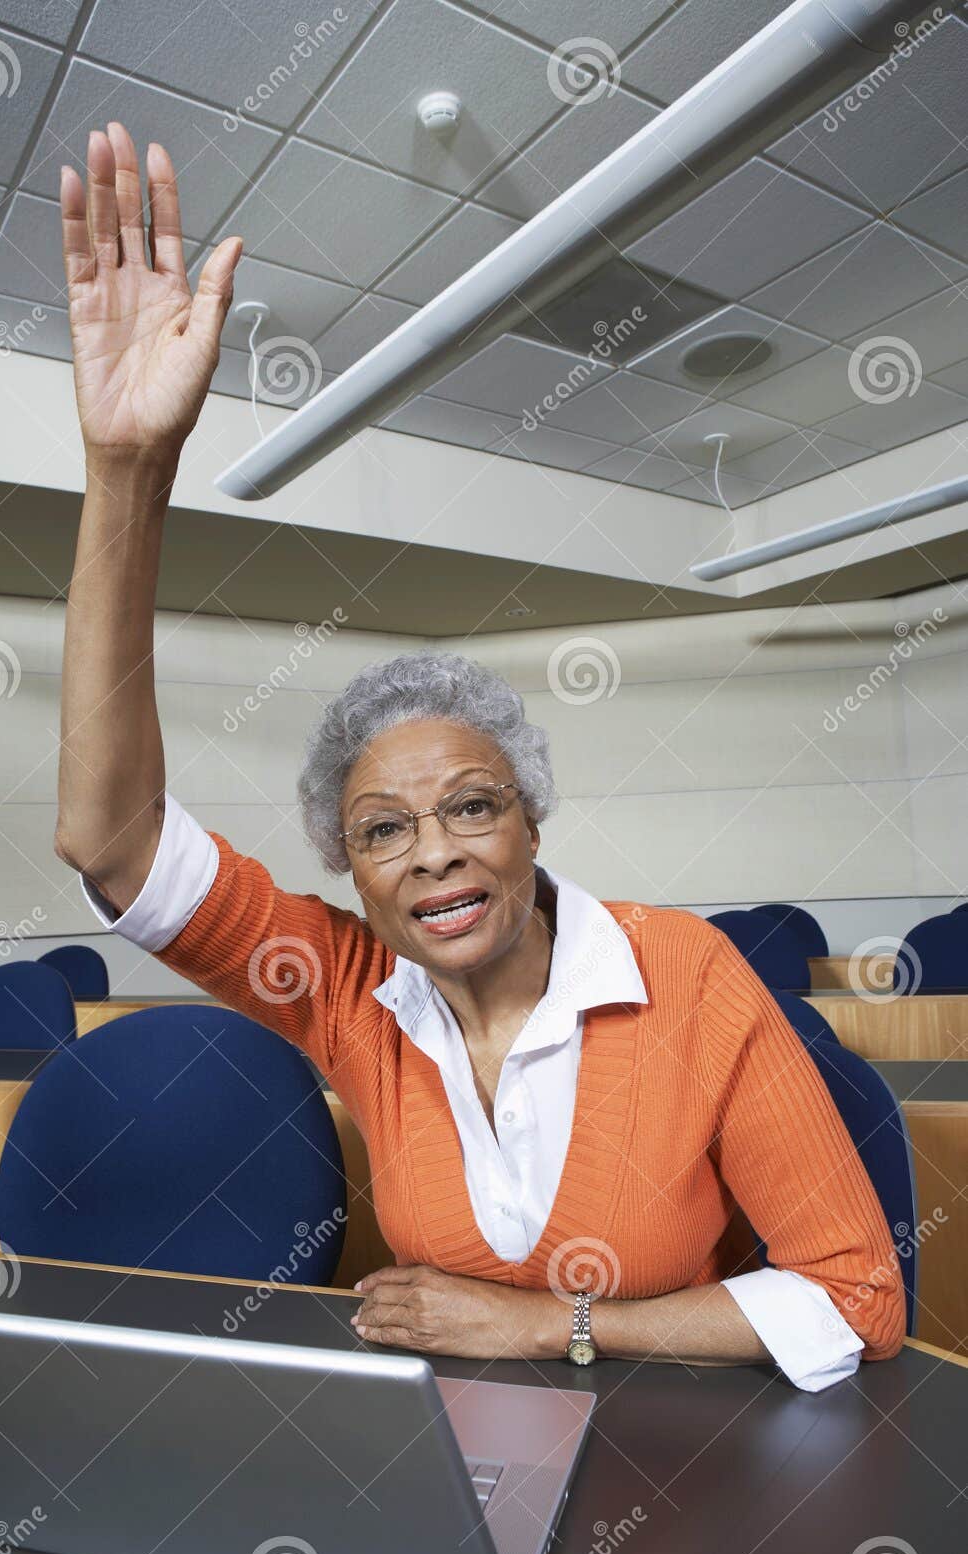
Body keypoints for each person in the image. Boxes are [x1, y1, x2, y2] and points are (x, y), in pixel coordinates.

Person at [55, 124, 904, 1388]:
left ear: (531, 824)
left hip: (689, 1474)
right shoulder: (344, 993)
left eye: (469, 806)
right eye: (382, 829)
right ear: (349, 868)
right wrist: (128, 470)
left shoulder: (687, 976)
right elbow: (112, 840)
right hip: (457, 1469)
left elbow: (856, 1297)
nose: (434, 852)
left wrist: (551, 1326)